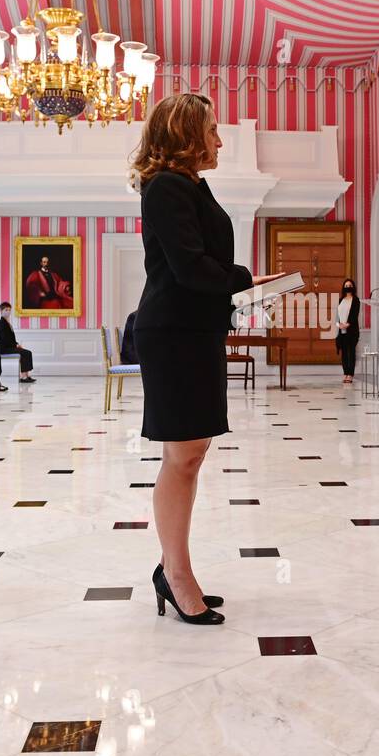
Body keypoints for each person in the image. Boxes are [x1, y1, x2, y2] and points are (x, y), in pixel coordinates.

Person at [130, 92, 281, 625]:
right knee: (184, 455)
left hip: (193, 329)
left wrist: (245, 284)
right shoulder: (166, 187)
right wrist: (244, 280)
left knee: (190, 454)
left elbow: (204, 265)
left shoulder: (193, 185)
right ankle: (176, 575)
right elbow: (192, 268)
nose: (220, 139)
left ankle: (174, 569)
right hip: (173, 332)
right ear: (188, 134)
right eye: (213, 130)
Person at [0, 301, 35, 383]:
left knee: (27, 352)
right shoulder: (2, 323)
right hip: (3, 348)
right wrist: (15, 345)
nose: (8, 312)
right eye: (6, 310)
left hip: (8, 346)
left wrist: (16, 344)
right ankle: (23, 376)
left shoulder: (7, 322)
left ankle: (26, 374)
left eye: (9, 310)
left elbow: (10, 338)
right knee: (25, 353)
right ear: (1, 311)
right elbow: (4, 339)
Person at [333, 277, 361, 383]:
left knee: (351, 352)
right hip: (341, 331)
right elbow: (336, 315)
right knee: (344, 353)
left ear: (353, 287)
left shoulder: (356, 300)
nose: (348, 288)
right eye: (346, 286)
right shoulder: (341, 300)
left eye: (350, 286)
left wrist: (347, 324)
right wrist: (338, 324)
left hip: (351, 330)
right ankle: (345, 373)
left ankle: (350, 374)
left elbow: (355, 314)